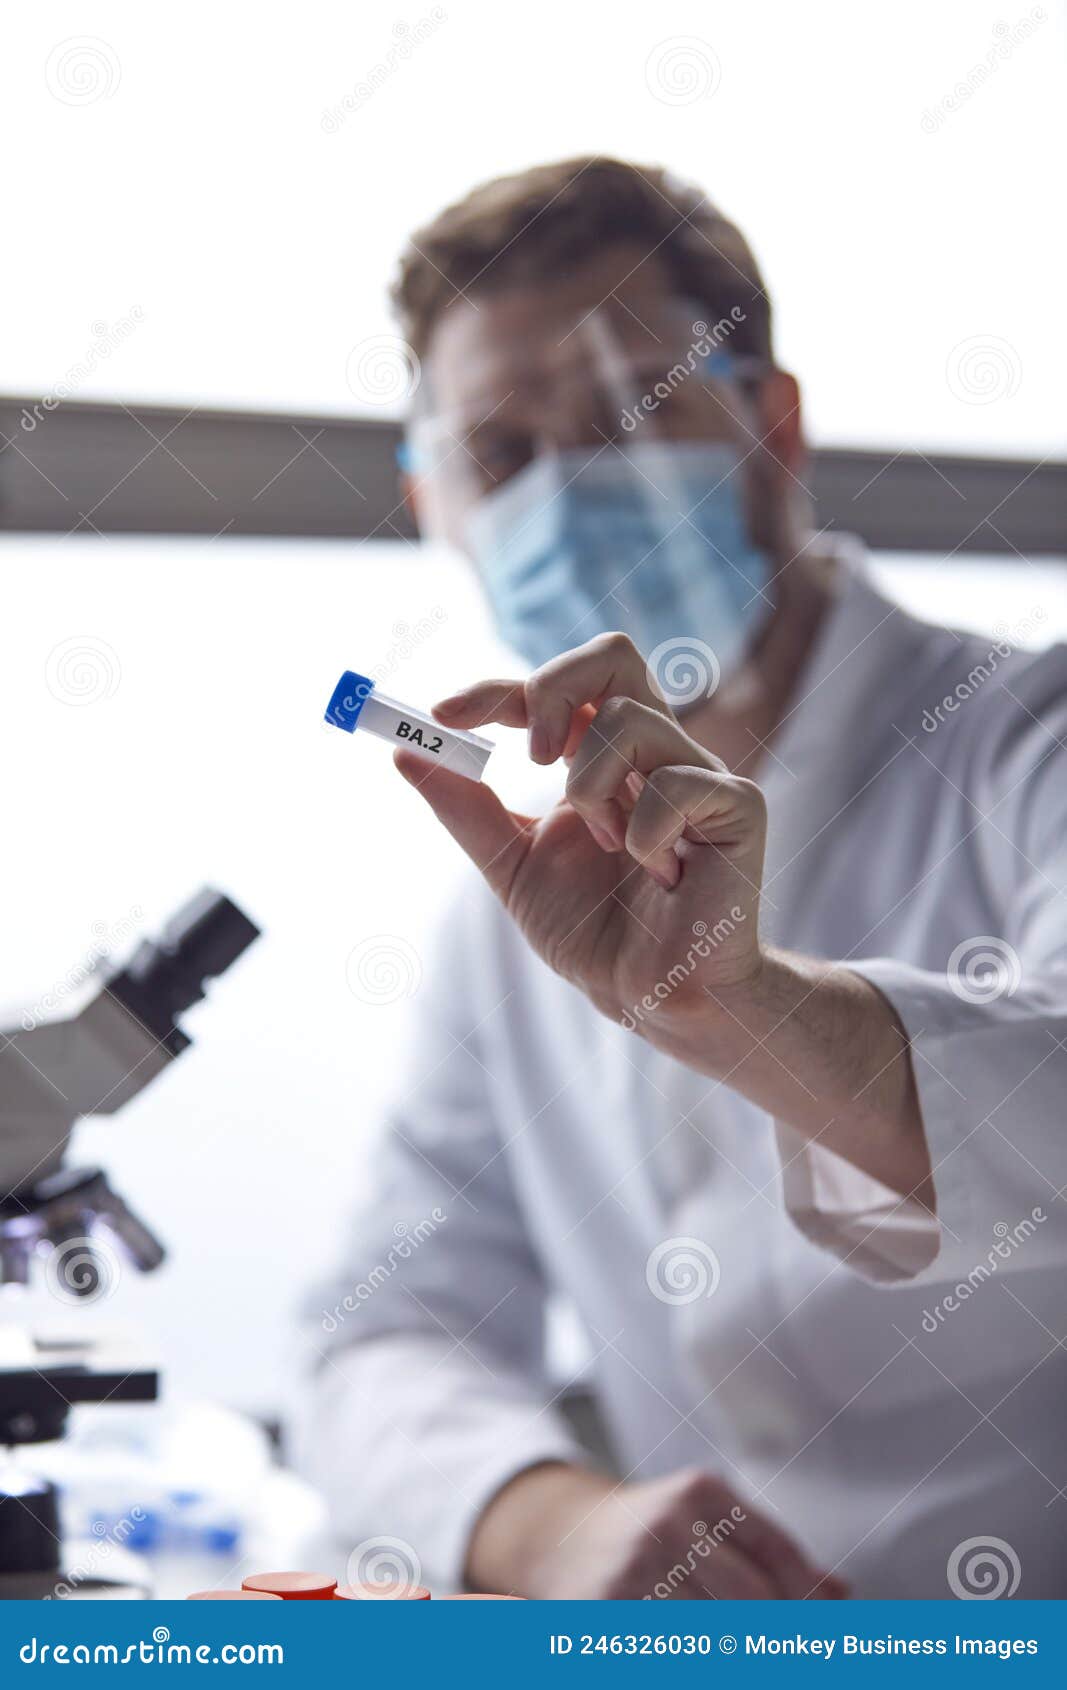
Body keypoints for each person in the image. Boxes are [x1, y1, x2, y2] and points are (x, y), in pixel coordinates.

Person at [303, 157, 1067, 1600]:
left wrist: (754, 1009)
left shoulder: (1031, 741)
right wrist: (549, 1520)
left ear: (772, 426)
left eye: (630, 416)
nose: (569, 498)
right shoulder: (510, 919)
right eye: (502, 456)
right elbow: (383, 1329)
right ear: (434, 507)